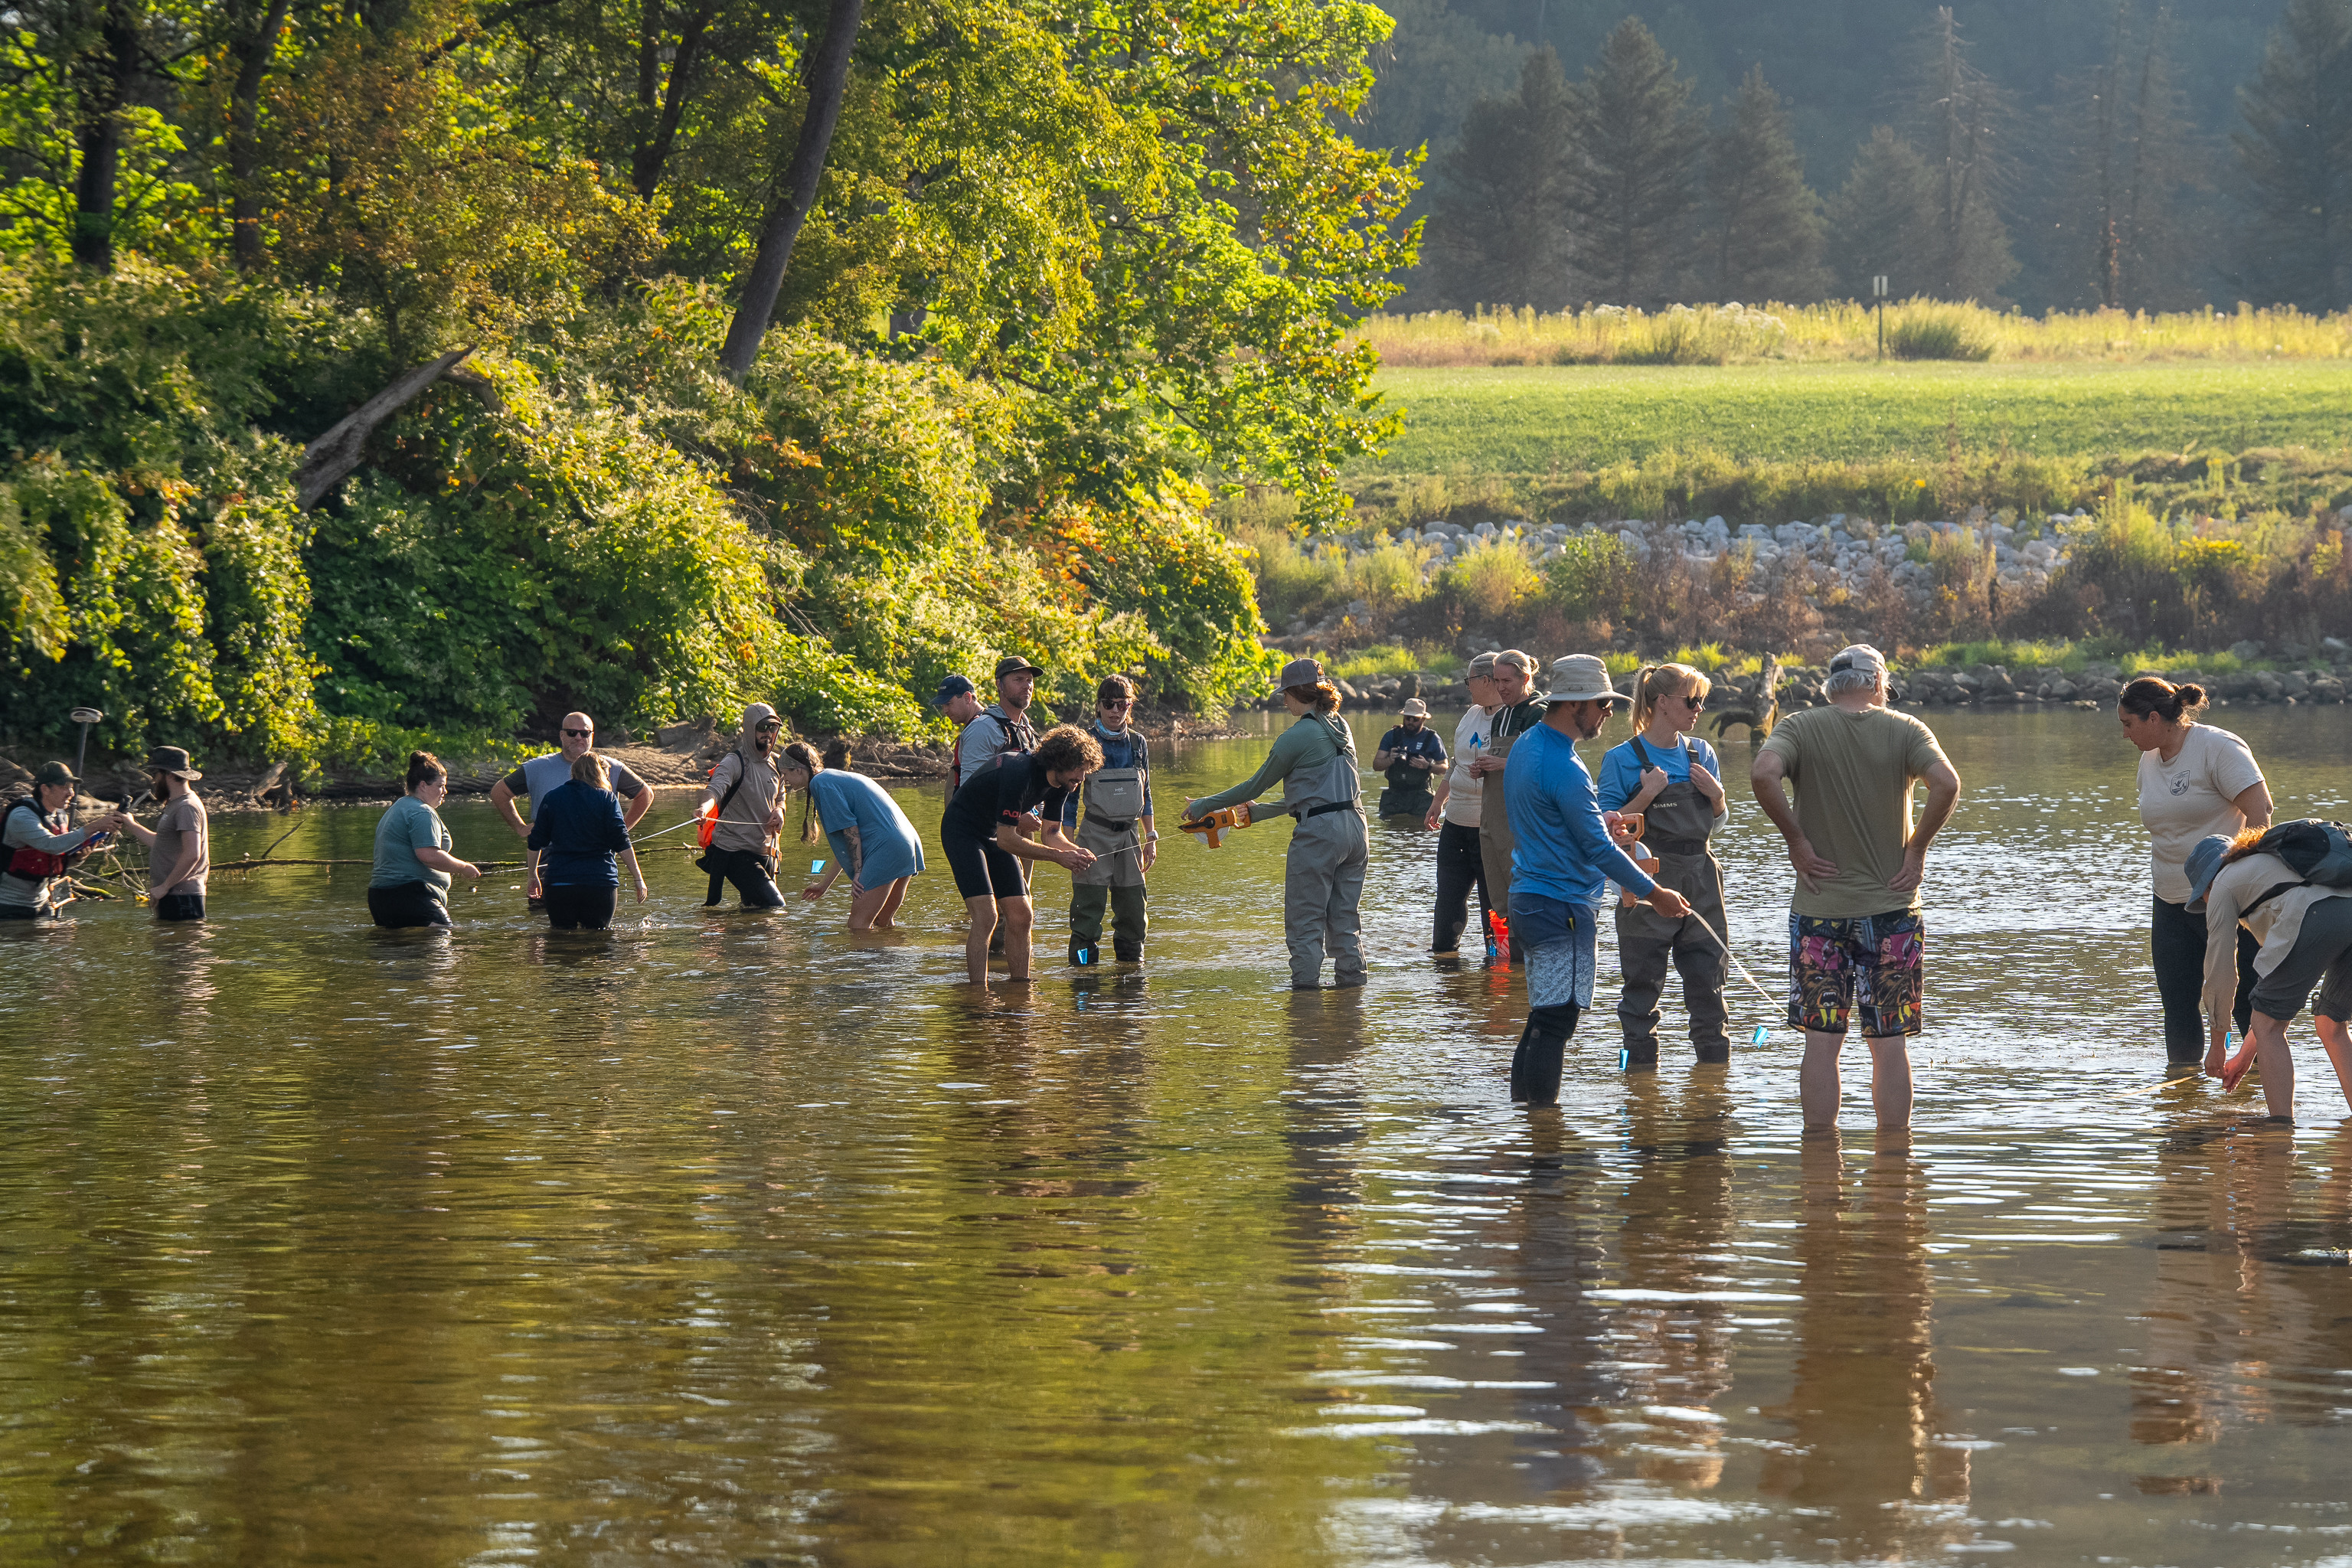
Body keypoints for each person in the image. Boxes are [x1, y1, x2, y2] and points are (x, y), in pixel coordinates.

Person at [1750, 645, 1961, 1133]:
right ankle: (1895, 1162)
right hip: (1892, 910)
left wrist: (1796, 841)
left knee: (1822, 1042)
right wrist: (1917, 850)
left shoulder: (1800, 726)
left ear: (1832, 685)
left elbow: (1763, 773)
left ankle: (1820, 1160)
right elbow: (1946, 784)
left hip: (1819, 910)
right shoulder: (1907, 729)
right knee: (1890, 1045)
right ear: (1878, 684)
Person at [1501, 655, 1692, 1106]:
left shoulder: (1529, 745)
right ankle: (1546, 1146)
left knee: (1542, 1015)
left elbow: (1557, 823)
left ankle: (1523, 1122)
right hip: (1560, 907)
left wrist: (1599, 818)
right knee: (1556, 1021)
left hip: (1529, 899)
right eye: (1603, 704)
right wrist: (1657, 894)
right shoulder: (1565, 767)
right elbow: (1598, 850)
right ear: (1574, 705)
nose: (1609, 713)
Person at [1184, 658, 1369, 990]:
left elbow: (1254, 786)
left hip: (1320, 837)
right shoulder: (1340, 725)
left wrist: (1204, 805)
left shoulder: (1298, 736)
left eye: (1286, 694)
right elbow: (1319, 795)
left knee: (1305, 924)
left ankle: (1305, 1004)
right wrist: (1259, 813)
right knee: (1344, 921)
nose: (1283, 701)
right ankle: (1352, 1003)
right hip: (1356, 829)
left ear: (1299, 692)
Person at [2121, 675, 2271, 1073]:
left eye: (2128, 724)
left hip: (2225, 899)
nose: (2124, 735)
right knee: (2178, 1002)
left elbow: (2262, 813)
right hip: (2168, 900)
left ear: (2153, 718)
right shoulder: (2148, 759)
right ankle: (2185, 1101)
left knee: (2243, 1000)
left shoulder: (2218, 748)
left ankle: (2258, 1092)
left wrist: (2245, 880)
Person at [1598, 664, 1731, 1067]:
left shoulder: (1702, 752)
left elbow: (1718, 823)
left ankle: (1712, 1082)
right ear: (1663, 702)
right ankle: (1640, 1082)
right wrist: (1647, 795)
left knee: (1709, 985)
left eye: (1702, 702)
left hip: (1703, 877)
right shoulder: (1621, 759)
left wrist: (1719, 796)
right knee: (1642, 987)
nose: (1699, 709)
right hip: (1645, 879)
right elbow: (1605, 831)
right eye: (1692, 701)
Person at [2187, 830, 2352, 1122]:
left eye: (2203, 894)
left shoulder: (2224, 885)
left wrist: (2217, 1042)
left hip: (2317, 916)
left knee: (2269, 1027)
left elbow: (2220, 971)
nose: (2206, 902)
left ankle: (2280, 1135)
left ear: (2208, 883)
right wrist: (2245, 1055)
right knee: (2331, 1024)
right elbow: (2273, 999)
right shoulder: (2270, 866)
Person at [942, 724, 1102, 983]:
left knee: (1022, 914)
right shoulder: (1020, 772)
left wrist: (1076, 852)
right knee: (987, 916)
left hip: (994, 832)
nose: (1082, 778)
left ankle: (1021, 989)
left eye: (1086, 771)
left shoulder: (1062, 784)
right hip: (962, 831)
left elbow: (1051, 834)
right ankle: (978, 996)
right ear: (1060, 761)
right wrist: (1058, 857)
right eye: (1079, 770)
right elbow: (1008, 840)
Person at [490, 712, 652, 907]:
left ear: (592, 736)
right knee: (545, 921)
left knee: (595, 924)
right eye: (572, 732)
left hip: (597, 855)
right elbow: (499, 792)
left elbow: (645, 795)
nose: (578, 738)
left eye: (584, 733)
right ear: (561, 735)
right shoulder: (537, 768)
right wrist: (521, 827)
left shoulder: (610, 767)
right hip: (550, 854)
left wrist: (619, 832)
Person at [782, 740, 926, 932]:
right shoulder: (831, 778)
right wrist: (824, 885)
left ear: (798, 770)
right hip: (906, 844)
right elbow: (846, 846)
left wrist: (858, 872)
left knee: (858, 926)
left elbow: (851, 831)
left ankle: (861, 962)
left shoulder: (820, 783)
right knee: (883, 923)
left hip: (887, 847)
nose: (784, 780)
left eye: (785, 774)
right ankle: (895, 961)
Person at [1068, 674, 1155, 965]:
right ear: (1099, 706)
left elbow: (1146, 793)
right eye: (1109, 704)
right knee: (1087, 915)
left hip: (1130, 838)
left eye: (1122, 704)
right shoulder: (1084, 741)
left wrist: (1150, 837)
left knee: (1134, 914)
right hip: (1094, 835)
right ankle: (1082, 983)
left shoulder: (1138, 743)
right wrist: (1066, 845)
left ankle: (1131, 983)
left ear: (1130, 707)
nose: (1116, 711)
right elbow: (1069, 798)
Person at [1470, 649, 1546, 960]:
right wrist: (1482, 767)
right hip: (1492, 819)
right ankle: (1501, 962)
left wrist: (1501, 764)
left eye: (1506, 681)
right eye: (1496, 681)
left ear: (1526, 678)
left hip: (1521, 821)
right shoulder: (1500, 715)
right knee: (1497, 899)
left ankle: (1530, 959)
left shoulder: (1540, 712)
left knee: (1524, 894)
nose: (1500, 688)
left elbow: (1542, 764)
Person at [1425, 652, 1499, 956]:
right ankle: (1445, 970)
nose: (1466, 686)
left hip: (1489, 829)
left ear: (1485, 680)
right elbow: (1456, 763)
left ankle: (1498, 972)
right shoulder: (1471, 715)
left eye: (1469, 680)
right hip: (1455, 825)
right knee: (1448, 903)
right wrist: (1438, 801)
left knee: (1492, 906)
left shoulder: (1509, 718)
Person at [524, 750, 647, 930]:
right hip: (599, 883)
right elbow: (621, 841)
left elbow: (535, 841)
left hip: (559, 883)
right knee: (598, 941)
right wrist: (638, 878)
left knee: (560, 942)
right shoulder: (607, 799)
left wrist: (533, 875)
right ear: (602, 773)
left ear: (574, 772)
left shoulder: (552, 797)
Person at [2, 761, 129, 921]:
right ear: (45, 789)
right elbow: (51, 845)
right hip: (9, 906)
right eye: (64, 788)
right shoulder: (21, 816)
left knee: (64, 939)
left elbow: (60, 857)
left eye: (71, 788)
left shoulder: (60, 816)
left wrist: (78, 858)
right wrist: (92, 827)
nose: (71, 793)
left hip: (43, 902)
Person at [369, 751, 480, 927]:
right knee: (444, 944)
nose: (445, 791)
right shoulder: (422, 811)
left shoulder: (398, 807)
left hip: (380, 898)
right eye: (440, 785)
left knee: (398, 951)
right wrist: (463, 867)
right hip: (412, 896)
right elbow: (428, 855)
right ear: (423, 786)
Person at [696, 704, 789, 908]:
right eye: (762, 727)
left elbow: (780, 796)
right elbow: (715, 789)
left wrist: (780, 810)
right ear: (749, 729)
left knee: (754, 911)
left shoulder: (777, 764)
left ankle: (735, 937)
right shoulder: (734, 762)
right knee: (775, 906)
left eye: (773, 728)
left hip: (765, 850)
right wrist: (704, 808)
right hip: (733, 851)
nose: (768, 733)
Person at [114, 746, 211, 923]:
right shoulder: (175, 804)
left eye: (155, 773)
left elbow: (192, 854)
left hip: (183, 897)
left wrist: (164, 887)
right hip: (172, 895)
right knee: (166, 947)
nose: (153, 780)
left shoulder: (187, 807)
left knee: (181, 948)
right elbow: (160, 843)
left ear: (170, 775)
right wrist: (130, 824)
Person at [956, 655, 1044, 790]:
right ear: (999, 685)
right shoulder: (982, 729)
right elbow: (971, 791)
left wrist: (1040, 811)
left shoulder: (1027, 730)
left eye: (1029, 680)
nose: (1027, 686)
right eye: (1018, 680)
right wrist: (1017, 812)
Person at [1372, 699, 1446, 821]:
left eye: (1415, 719)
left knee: (1422, 828)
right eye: (1408, 718)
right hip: (1394, 795)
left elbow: (1445, 768)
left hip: (1421, 796)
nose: (1411, 722)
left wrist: (1427, 766)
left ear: (1423, 719)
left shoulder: (1432, 738)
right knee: (1391, 829)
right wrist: (1390, 760)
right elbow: (1376, 765)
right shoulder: (1392, 736)